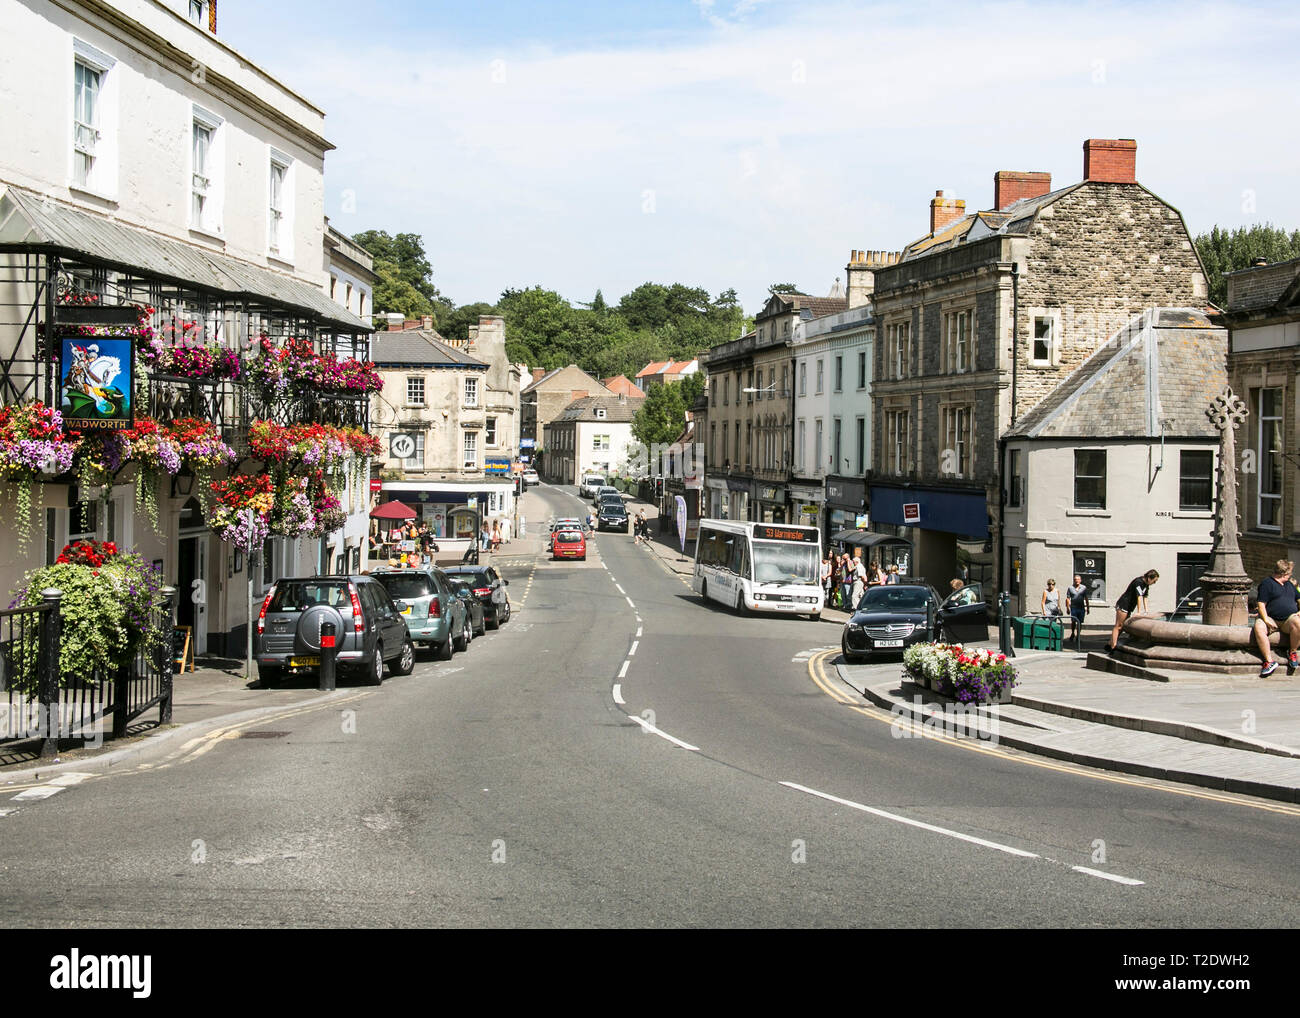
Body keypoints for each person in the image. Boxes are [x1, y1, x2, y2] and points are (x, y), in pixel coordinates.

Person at [1254, 559, 1300, 677]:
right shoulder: (1267, 583)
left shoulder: (1289, 585)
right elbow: (1261, 604)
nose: (1290, 576)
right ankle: (1269, 661)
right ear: (1283, 574)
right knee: (1258, 627)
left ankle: (1293, 652)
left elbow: (1299, 599)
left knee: (1298, 622)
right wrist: (1265, 619)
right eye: (1289, 573)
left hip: (1287, 620)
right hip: (1271, 618)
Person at [1109, 568, 1159, 653]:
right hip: (1124, 604)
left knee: (1122, 627)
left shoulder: (1146, 585)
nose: (1154, 583)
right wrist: (1139, 612)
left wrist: (1146, 611)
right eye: (1154, 581)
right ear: (1149, 578)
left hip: (1129, 607)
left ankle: (1110, 644)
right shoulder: (1138, 582)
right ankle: (1112, 648)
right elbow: (1139, 597)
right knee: (1118, 626)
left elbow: (1145, 597)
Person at [1065, 574, 1089, 643]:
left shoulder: (1084, 588)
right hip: (1073, 607)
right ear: (1074, 580)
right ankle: (1072, 633)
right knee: (1073, 621)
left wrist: (1088, 607)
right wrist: (1068, 608)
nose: (1077, 581)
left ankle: (1078, 635)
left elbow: (1086, 598)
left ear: (1080, 580)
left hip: (1081, 608)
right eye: (1075, 579)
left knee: (1080, 622)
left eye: (1078, 579)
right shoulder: (1070, 588)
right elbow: (1068, 598)